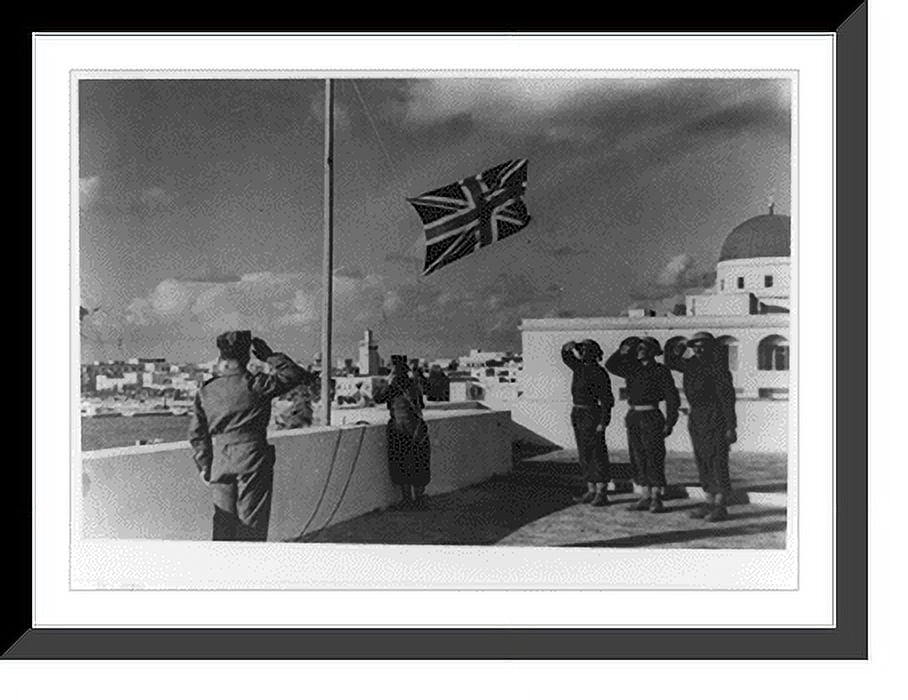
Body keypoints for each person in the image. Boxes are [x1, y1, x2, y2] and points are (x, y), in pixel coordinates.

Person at [188, 331, 308, 541]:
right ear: (246, 357)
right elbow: (294, 375)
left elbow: (197, 434)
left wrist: (205, 466)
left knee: (223, 525)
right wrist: (269, 356)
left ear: (221, 358)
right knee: (252, 525)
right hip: (252, 457)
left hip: (220, 461)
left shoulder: (206, 391)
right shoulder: (257, 384)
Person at [666, 331, 738, 522]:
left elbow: (728, 400)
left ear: (711, 348)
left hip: (715, 417)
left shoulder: (718, 368)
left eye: (702, 346)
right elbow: (671, 362)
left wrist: (731, 427)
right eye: (695, 346)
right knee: (702, 459)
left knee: (717, 460)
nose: (698, 350)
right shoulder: (691, 365)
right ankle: (709, 501)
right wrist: (680, 348)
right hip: (696, 417)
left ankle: (720, 505)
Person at [606, 336, 680, 514]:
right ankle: (645, 496)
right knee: (637, 457)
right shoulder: (632, 368)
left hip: (651, 416)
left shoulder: (661, 371)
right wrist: (623, 349)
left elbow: (672, 398)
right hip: (634, 417)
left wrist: (670, 422)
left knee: (654, 456)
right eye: (637, 348)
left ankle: (656, 498)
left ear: (652, 351)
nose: (638, 351)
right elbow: (611, 365)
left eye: (642, 348)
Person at [373, 355, 432, 510]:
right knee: (419, 464)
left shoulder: (393, 385)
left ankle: (407, 500)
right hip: (417, 429)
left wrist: (386, 381)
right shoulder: (414, 384)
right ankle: (419, 499)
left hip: (400, 429)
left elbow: (377, 398)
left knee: (402, 464)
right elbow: (421, 405)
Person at [561, 339, 614, 506]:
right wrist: (568, 347)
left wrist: (603, 421)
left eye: (584, 350)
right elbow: (567, 357)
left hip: (592, 414)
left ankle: (601, 492)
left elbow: (607, 400)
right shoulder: (579, 368)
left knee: (597, 453)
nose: (581, 353)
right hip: (578, 413)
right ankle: (591, 490)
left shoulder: (600, 373)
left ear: (592, 353)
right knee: (584, 453)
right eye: (581, 350)